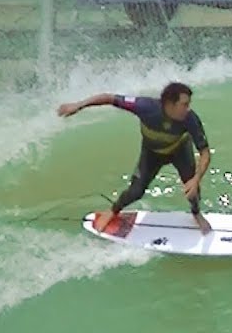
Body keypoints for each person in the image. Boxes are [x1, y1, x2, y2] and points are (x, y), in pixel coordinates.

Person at [57, 81, 213, 234]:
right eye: (184, 104)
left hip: (180, 152)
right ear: (170, 104)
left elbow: (205, 151)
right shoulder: (145, 107)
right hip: (152, 154)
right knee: (136, 191)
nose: (188, 108)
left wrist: (196, 179)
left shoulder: (190, 119)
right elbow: (109, 98)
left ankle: (196, 213)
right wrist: (78, 105)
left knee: (193, 190)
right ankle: (113, 211)